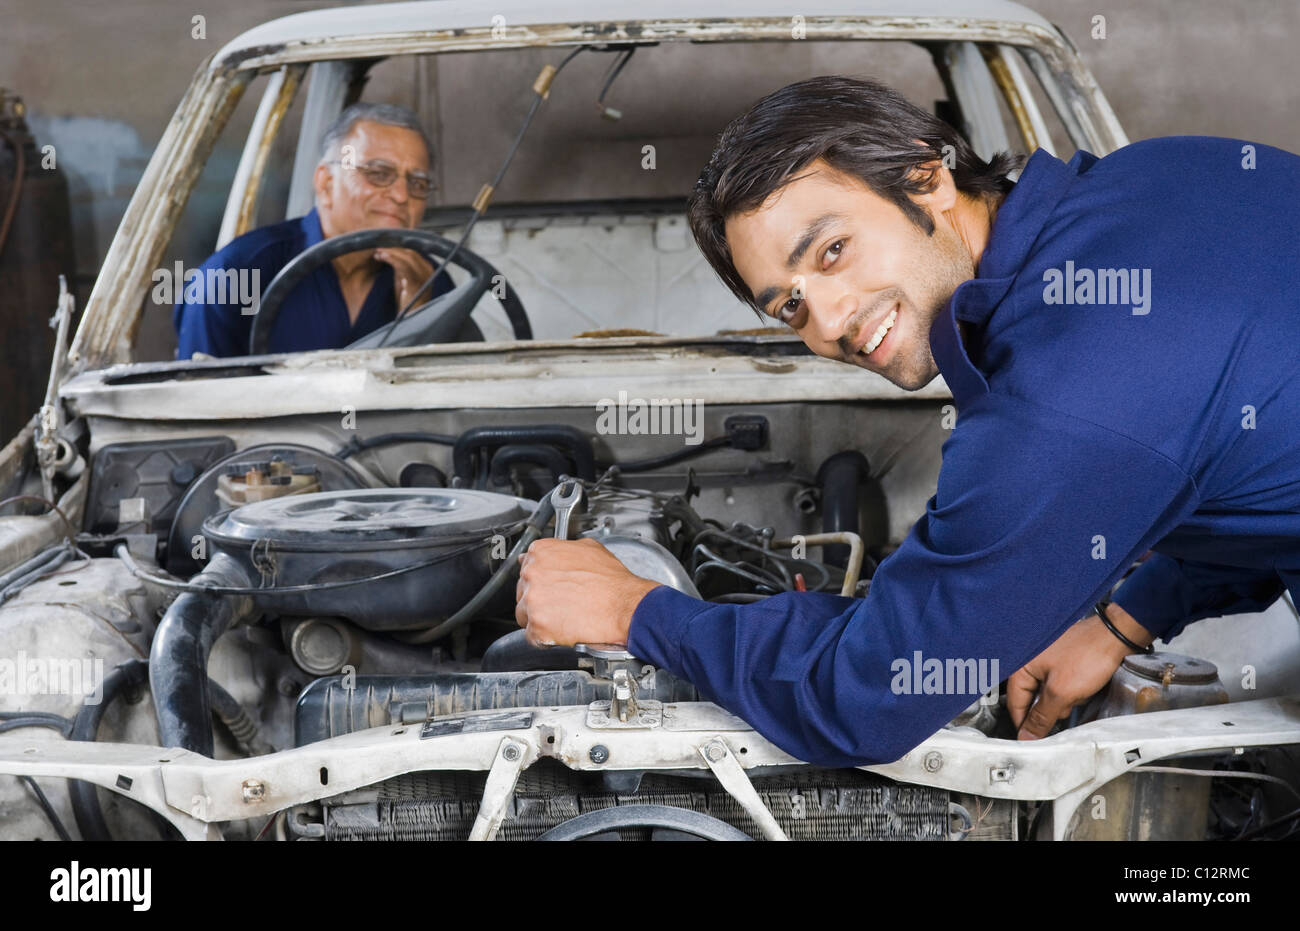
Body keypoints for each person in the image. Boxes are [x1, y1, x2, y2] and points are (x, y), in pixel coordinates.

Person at [513, 76, 1300, 767]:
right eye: (789, 307)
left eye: (832, 250)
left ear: (926, 177)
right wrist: (1127, 616)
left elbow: (868, 695)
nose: (828, 322)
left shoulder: (1061, 392)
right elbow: (1255, 458)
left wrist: (637, 611)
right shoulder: (1163, 171)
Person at [173, 102, 453, 358]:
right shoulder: (234, 274)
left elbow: (448, 389)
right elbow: (198, 391)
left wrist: (419, 314)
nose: (402, 196)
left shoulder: (430, 281)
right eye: (379, 174)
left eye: (418, 184)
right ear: (326, 183)